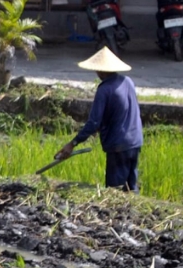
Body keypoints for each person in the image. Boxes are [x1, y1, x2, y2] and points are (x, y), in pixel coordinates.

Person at [56, 47, 143, 192]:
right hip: (135, 140)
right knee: (131, 187)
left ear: (101, 71)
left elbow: (93, 122)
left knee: (115, 190)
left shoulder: (104, 89)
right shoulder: (127, 81)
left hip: (119, 145)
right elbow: (120, 109)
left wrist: (72, 143)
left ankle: (118, 214)